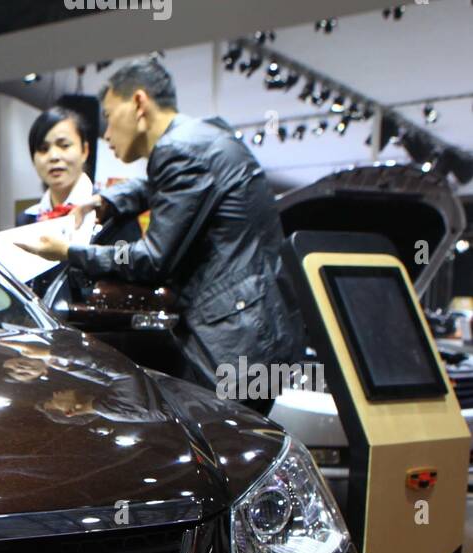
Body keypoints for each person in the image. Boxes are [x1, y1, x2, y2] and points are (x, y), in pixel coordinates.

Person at [20, 56, 303, 412]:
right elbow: (156, 185)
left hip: (231, 339)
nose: (106, 132)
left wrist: (69, 252)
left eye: (109, 116)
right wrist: (105, 201)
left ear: (138, 103)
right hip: (258, 330)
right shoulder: (204, 136)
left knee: (210, 451)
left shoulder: (178, 150)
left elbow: (152, 260)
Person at [19, 107, 99, 247]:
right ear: (33, 158)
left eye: (64, 145)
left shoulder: (108, 209)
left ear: (84, 151)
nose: (54, 156)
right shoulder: (26, 219)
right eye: (43, 149)